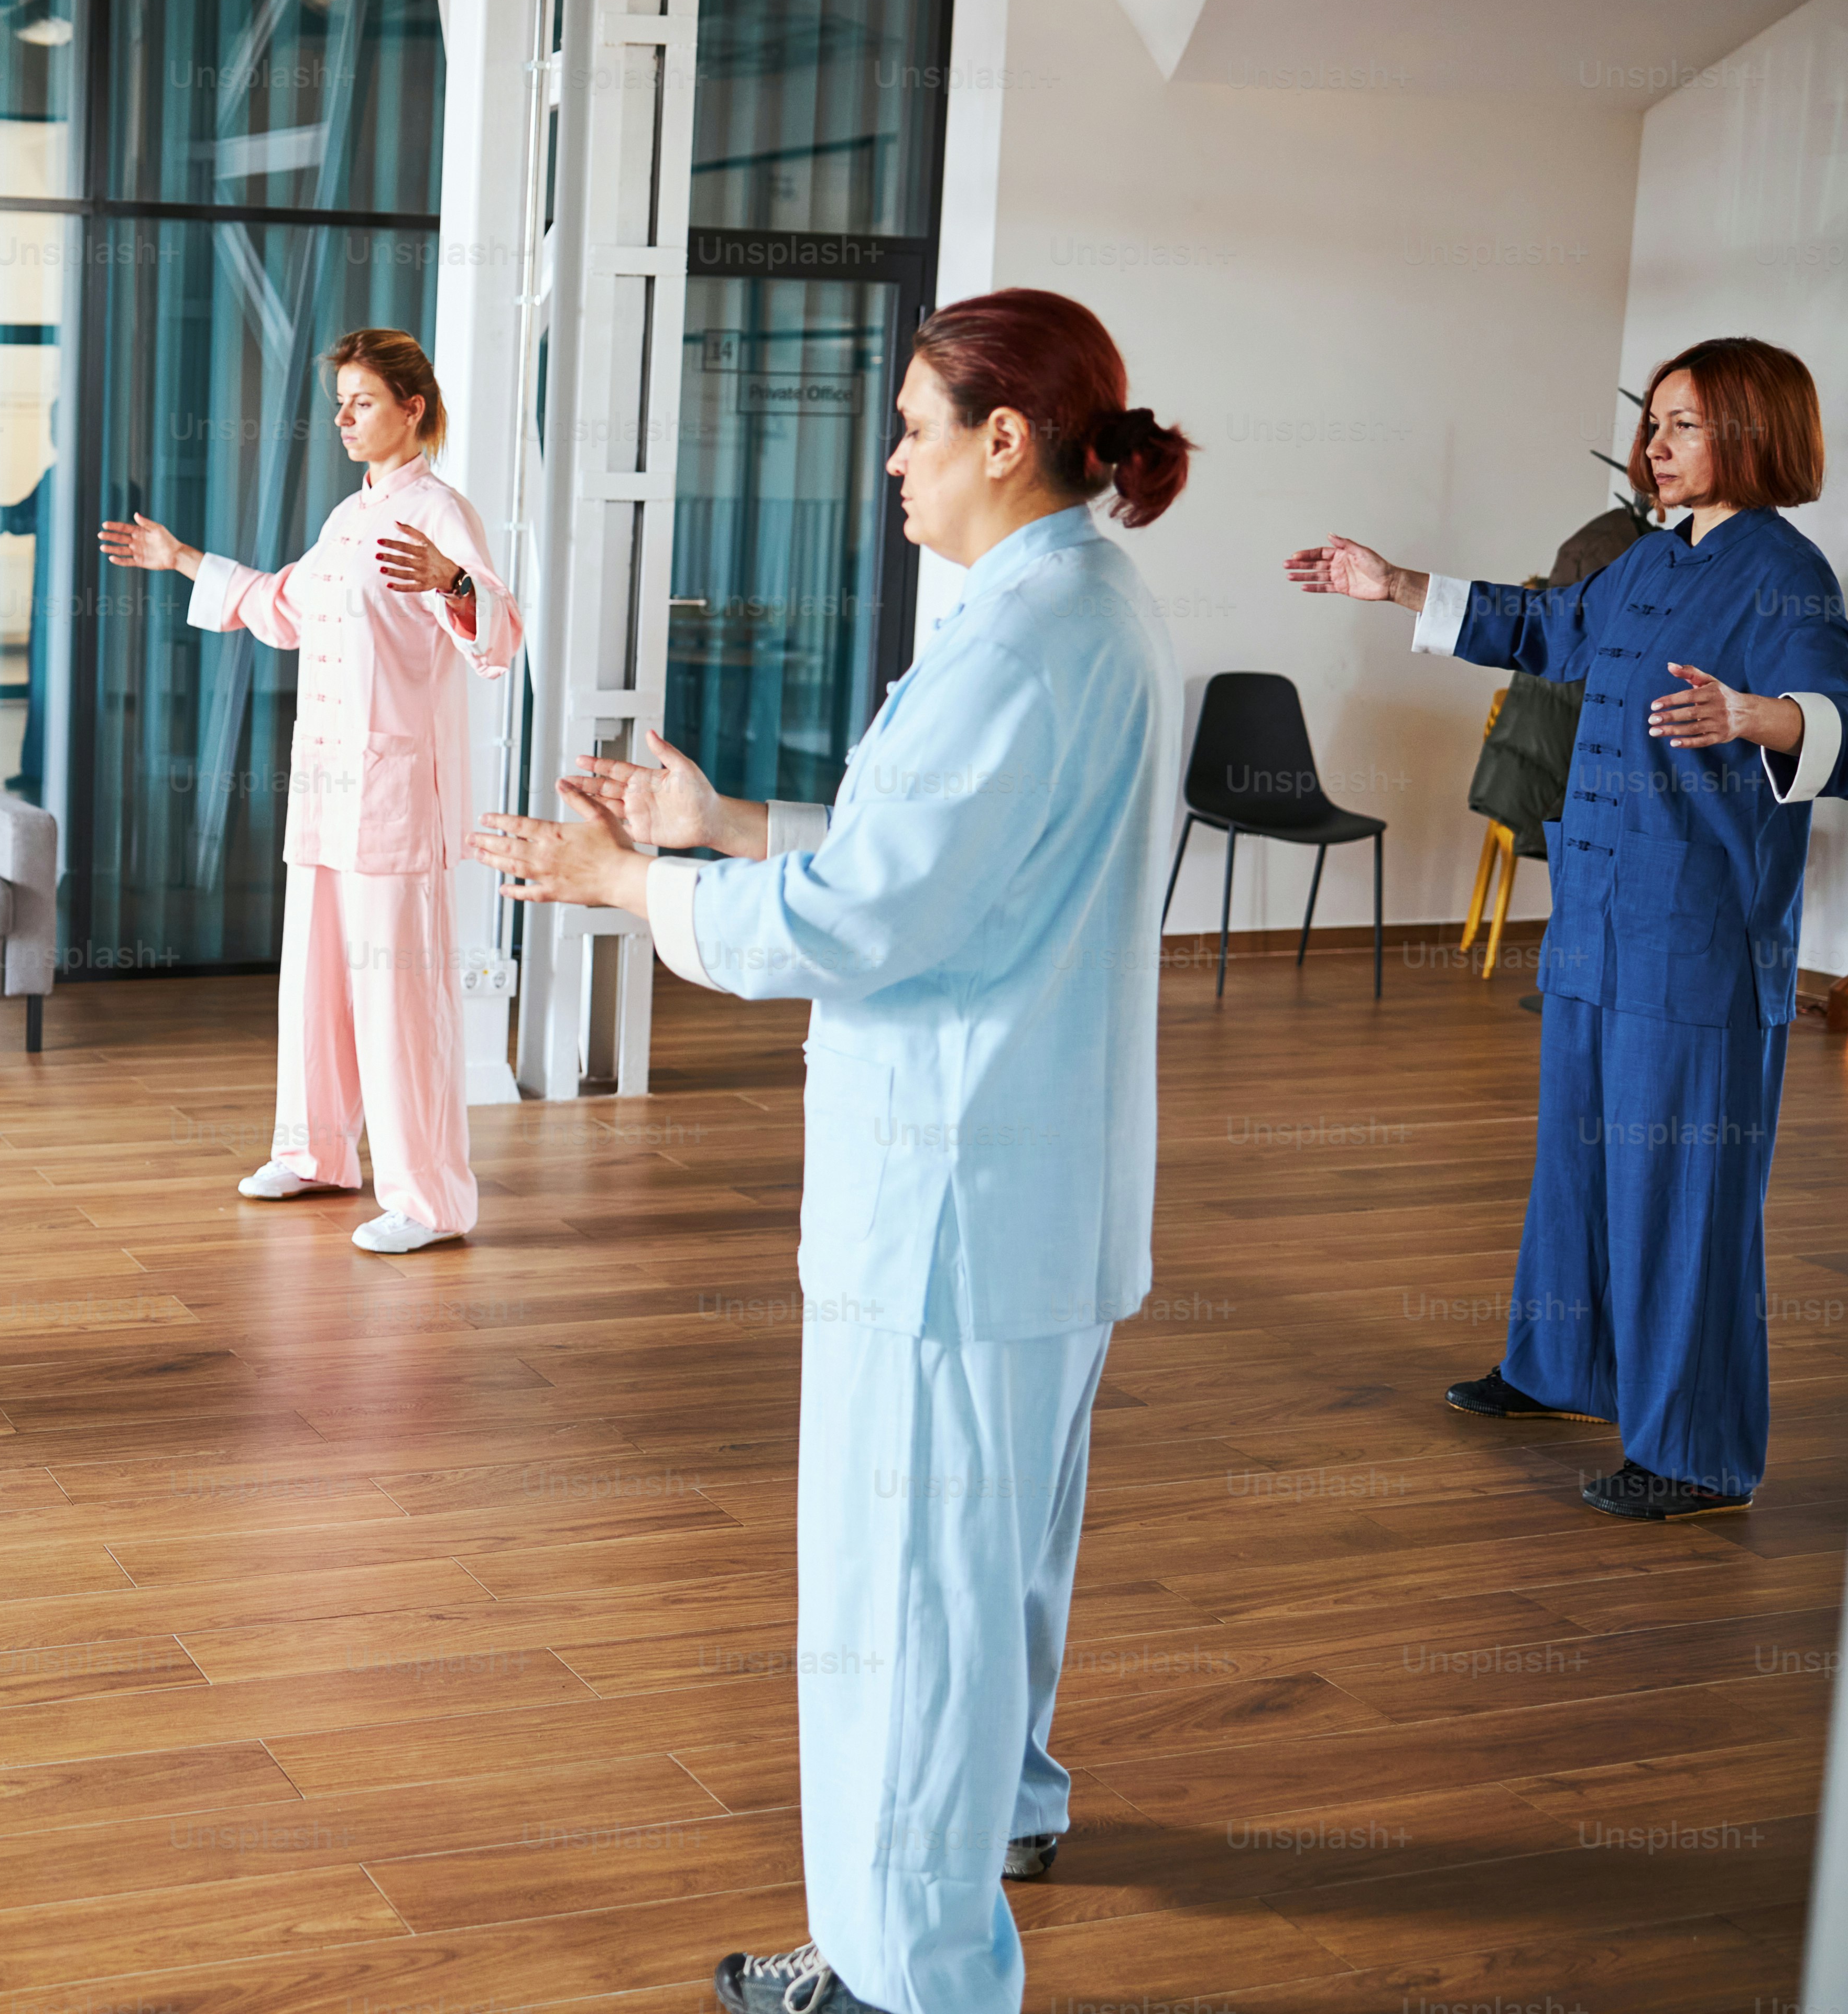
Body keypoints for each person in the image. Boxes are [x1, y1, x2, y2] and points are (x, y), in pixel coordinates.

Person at [473, 288, 1189, 2014]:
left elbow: (863, 922)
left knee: (908, 1608)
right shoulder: (1087, 605)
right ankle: (1002, 1819)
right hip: (1039, 1195)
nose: (892, 464)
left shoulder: (1022, 640)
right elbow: (944, 852)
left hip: (953, 1207)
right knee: (997, 1561)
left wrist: (630, 885)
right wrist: (724, 827)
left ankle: (902, 1972)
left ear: (1003, 440)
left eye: (913, 430)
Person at [1288, 337, 1847, 1522]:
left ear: (1751, 429)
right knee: (1582, 1161)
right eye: (1655, 421)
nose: (1657, 441)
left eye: (1684, 423)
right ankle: (1562, 1368)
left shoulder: (1787, 575)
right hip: (1597, 919)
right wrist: (1394, 584)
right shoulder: (1646, 561)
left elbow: (1838, 722)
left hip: (1697, 935)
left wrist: (1760, 715)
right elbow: (1543, 628)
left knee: (1681, 1187)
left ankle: (1694, 1451)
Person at [99, 328, 522, 1254]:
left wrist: (454, 583)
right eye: (340, 401)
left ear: (413, 408)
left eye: (362, 401)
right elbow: (284, 609)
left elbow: (499, 638)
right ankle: (317, 1152)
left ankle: (430, 1199)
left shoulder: (442, 512)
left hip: (397, 795)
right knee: (317, 981)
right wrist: (181, 560)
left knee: (399, 1002)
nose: (342, 417)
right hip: (328, 788)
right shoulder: (345, 518)